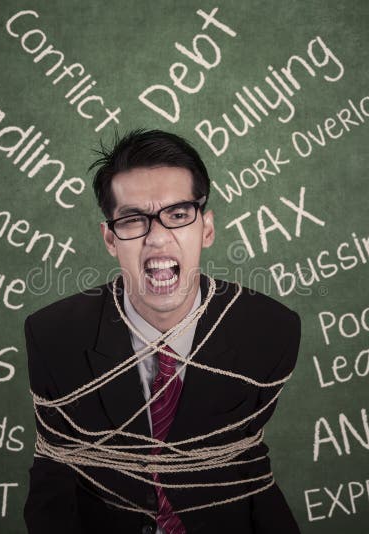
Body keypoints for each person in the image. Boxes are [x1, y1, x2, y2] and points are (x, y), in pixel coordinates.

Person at [23, 129, 302, 533]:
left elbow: (250, 469)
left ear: (206, 229)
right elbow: (54, 481)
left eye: (178, 215)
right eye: (133, 219)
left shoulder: (270, 331)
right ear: (110, 239)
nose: (156, 238)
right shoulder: (54, 337)